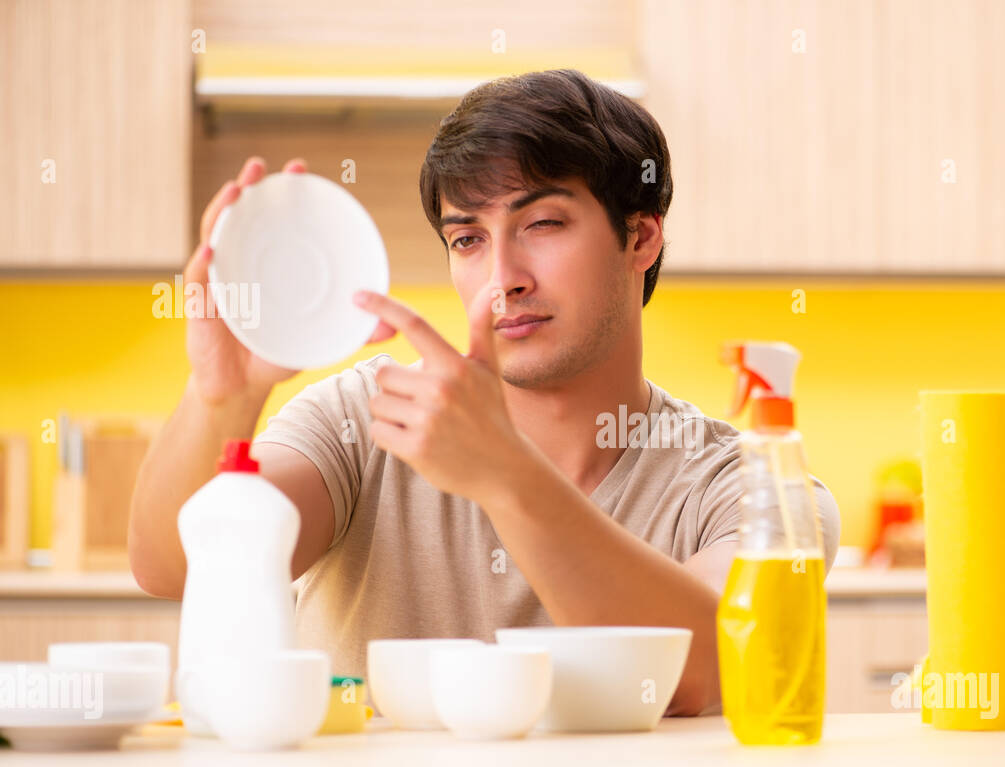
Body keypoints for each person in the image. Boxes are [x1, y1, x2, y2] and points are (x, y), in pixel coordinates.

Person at [128, 69, 839, 717]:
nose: (504, 276)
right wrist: (221, 395)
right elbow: (170, 564)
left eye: (542, 224)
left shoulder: (750, 486)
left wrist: (504, 471)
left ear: (641, 237)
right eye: (468, 239)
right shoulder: (365, 417)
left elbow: (721, 670)